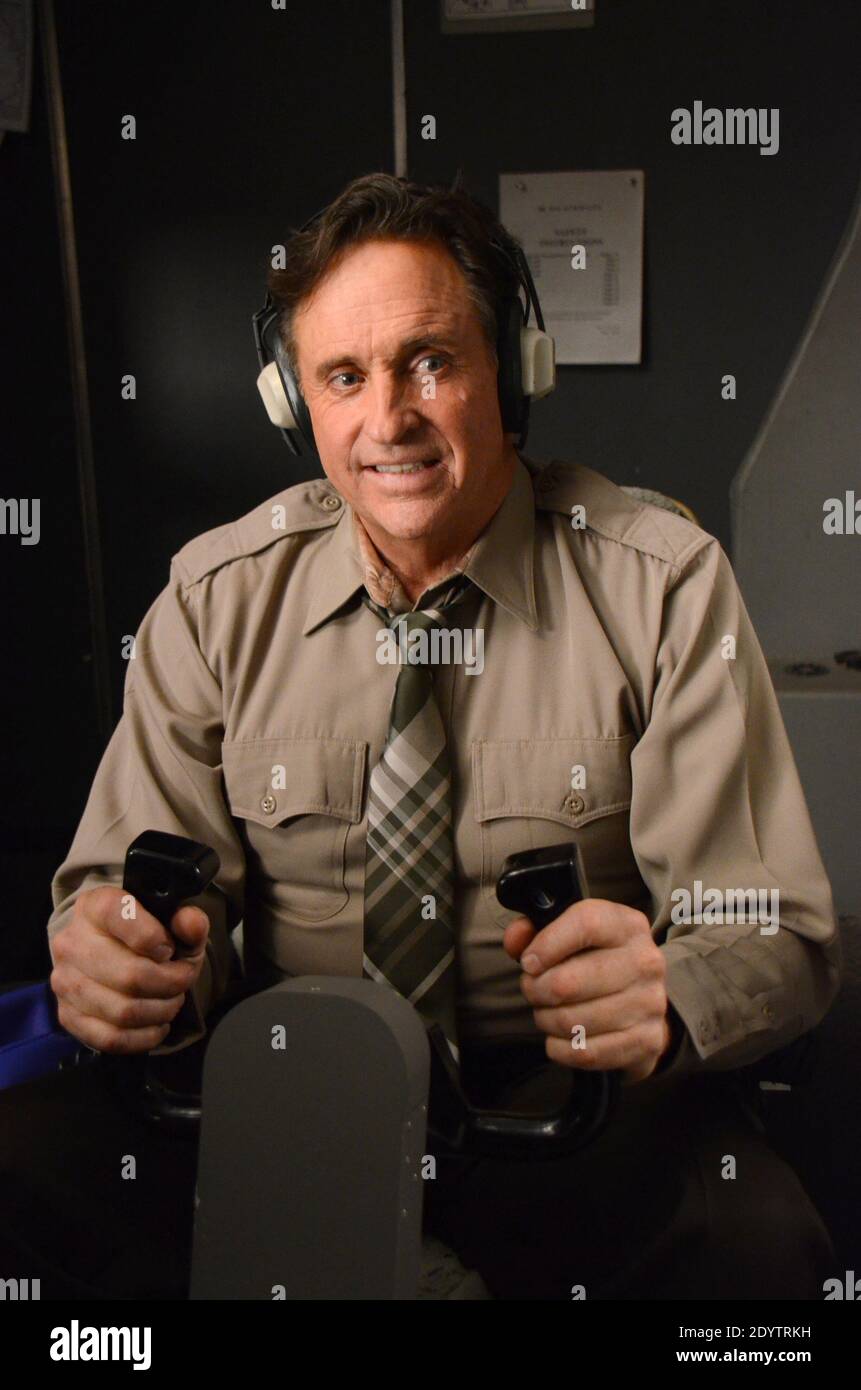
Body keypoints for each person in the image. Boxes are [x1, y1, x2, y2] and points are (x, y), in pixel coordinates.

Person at [0, 172, 841, 1300]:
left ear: (513, 370)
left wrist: (672, 992)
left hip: (566, 1095)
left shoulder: (663, 585)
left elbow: (774, 921)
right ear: (293, 405)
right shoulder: (212, 600)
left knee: (761, 1252)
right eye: (343, 377)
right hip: (281, 1078)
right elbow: (117, 892)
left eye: (430, 362)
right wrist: (119, 959)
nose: (388, 418)